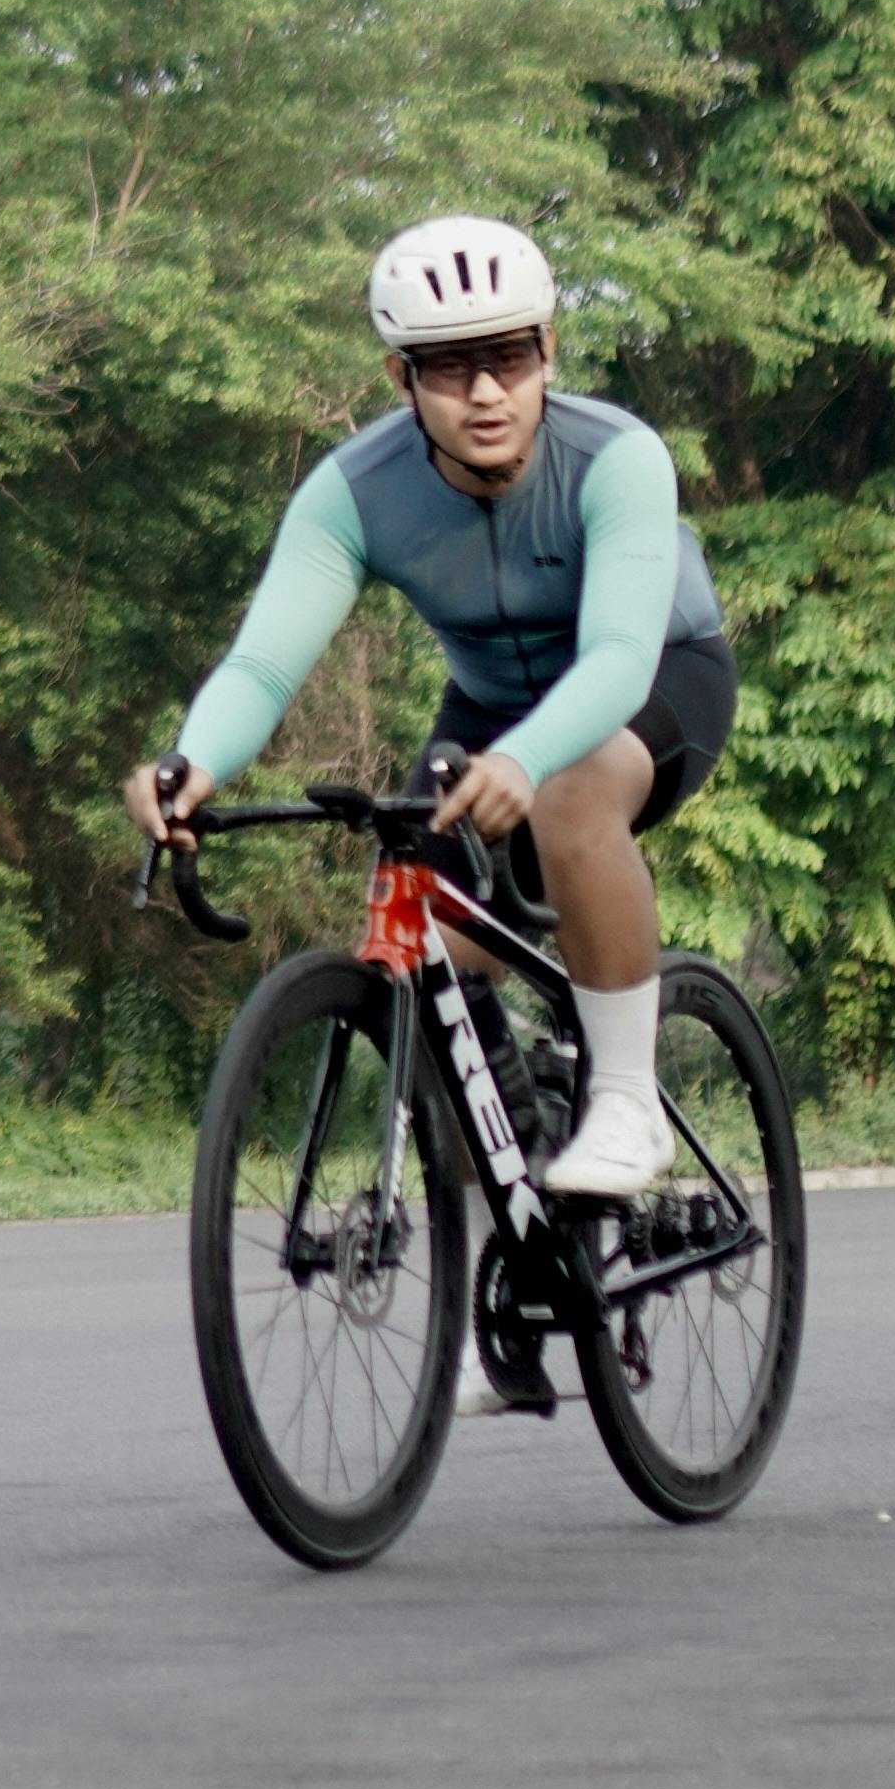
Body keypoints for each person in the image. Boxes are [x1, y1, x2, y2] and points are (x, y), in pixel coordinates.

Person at [124, 215, 736, 1213]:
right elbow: (264, 664)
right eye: (448, 368)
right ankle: (485, 1291)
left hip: (654, 676)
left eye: (506, 357)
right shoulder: (352, 495)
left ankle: (626, 1102)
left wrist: (529, 760)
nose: (485, 392)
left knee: (569, 800)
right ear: (397, 378)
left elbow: (618, 659)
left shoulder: (615, 457)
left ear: (546, 351)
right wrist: (191, 762)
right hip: (490, 706)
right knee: (409, 955)